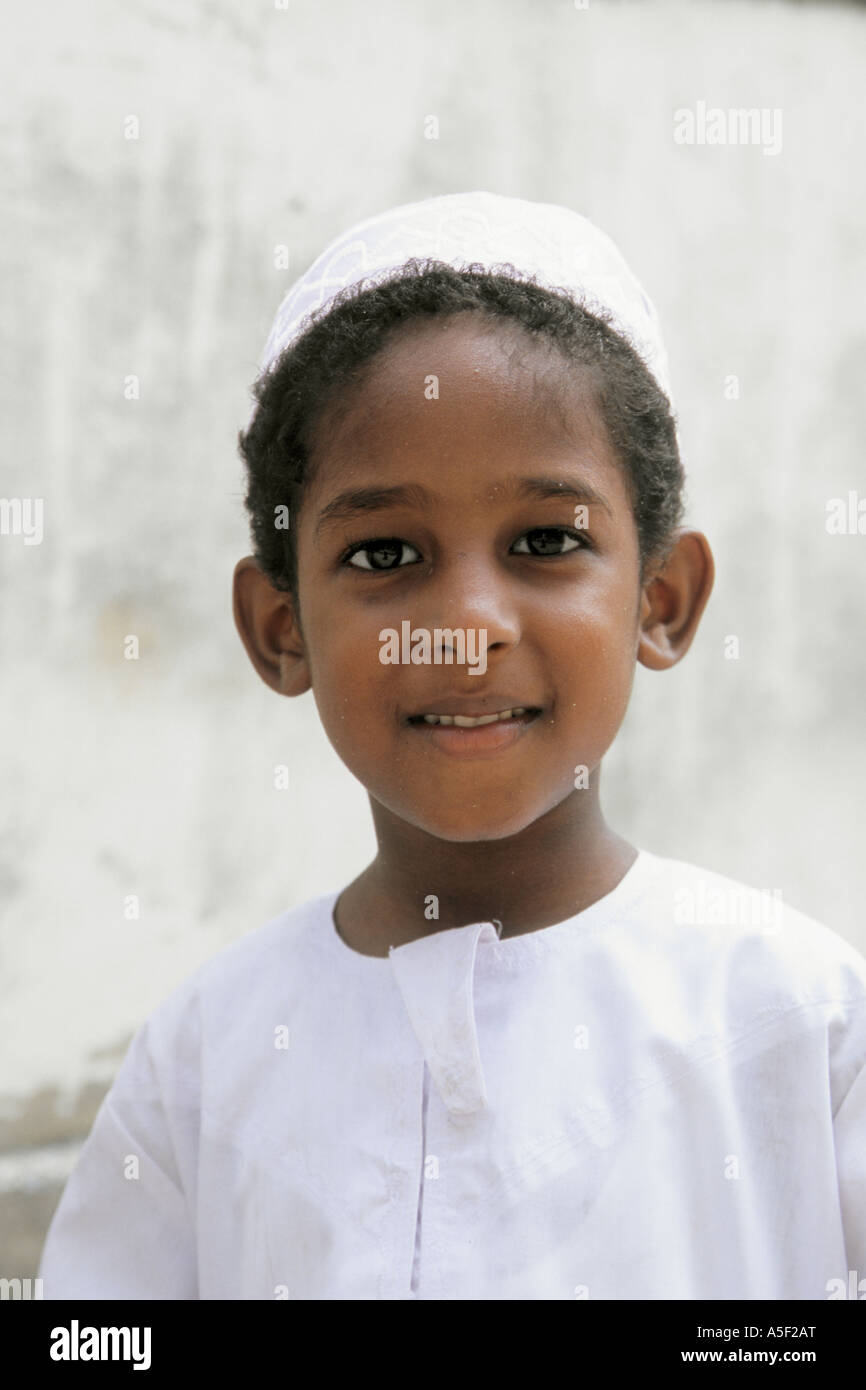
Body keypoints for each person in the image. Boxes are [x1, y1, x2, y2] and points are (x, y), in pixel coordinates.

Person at [39, 191, 866, 1300]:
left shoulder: (799, 1023)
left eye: (543, 540)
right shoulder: (202, 1060)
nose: (466, 624)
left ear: (660, 600)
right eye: (385, 554)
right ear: (279, 629)